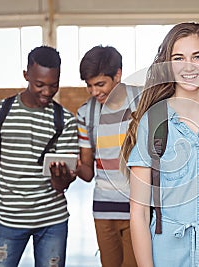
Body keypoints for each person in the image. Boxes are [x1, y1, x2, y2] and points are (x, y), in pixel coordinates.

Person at [120, 22, 199, 267]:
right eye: (178, 58)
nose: (188, 66)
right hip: (168, 253)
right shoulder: (153, 122)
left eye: (197, 56)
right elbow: (138, 214)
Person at [0, 45, 79, 266]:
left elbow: (62, 186)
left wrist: (61, 178)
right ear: (26, 75)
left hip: (52, 221)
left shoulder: (65, 121)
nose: (46, 92)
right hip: (8, 220)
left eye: (53, 85)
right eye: (39, 84)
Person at [76, 45, 138, 267]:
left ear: (118, 74)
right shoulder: (86, 114)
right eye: (89, 86)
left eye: (100, 84)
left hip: (137, 208)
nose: (94, 92)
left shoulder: (142, 102)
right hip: (104, 209)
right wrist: (69, 167)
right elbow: (87, 172)